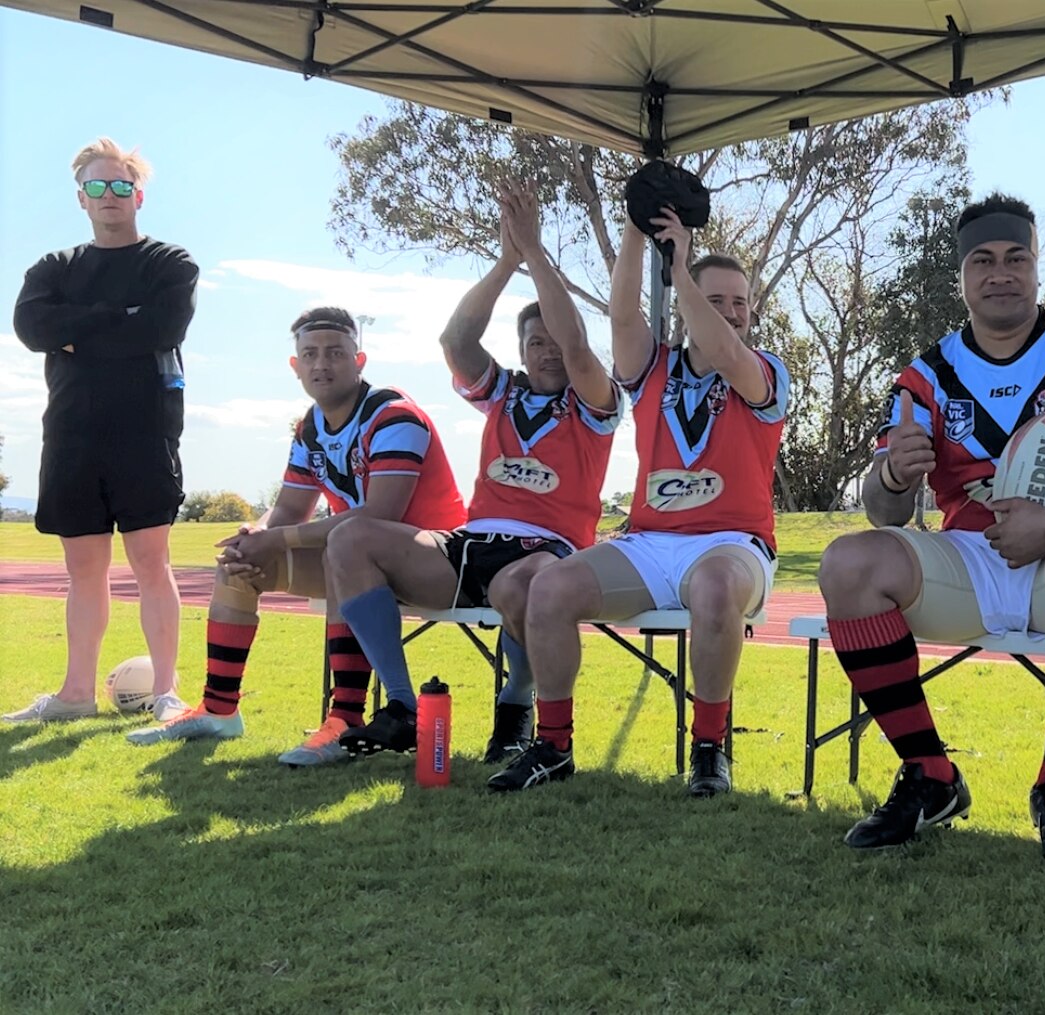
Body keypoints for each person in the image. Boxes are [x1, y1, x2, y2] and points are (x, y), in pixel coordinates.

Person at [813, 194, 1045, 869]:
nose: (1000, 273)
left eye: (1016, 258)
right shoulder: (925, 375)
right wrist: (891, 474)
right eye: (982, 260)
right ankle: (930, 775)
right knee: (847, 564)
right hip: (969, 558)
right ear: (962, 275)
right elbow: (883, 512)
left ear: (1037, 267)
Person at [487, 205, 789, 798]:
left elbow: (726, 352)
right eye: (717, 300)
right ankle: (553, 745)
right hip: (649, 543)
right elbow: (623, 314)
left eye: (740, 302)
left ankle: (710, 748)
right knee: (548, 589)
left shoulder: (764, 370)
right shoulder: (656, 370)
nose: (731, 312)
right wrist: (634, 224)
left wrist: (679, 269)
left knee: (715, 588)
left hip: (732, 545)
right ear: (688, 305)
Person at [327, 183, 623, 762]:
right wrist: (508, 262)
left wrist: (535, 252)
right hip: (470, 544)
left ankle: (516, 704)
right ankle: (402, 707)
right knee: (350, 538)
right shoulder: (504, 394)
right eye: (535, 343)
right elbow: (456, 340)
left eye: (555, 341)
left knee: (518, 585)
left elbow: (577, 348)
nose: (549, 351)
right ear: (522, 351)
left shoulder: (594, 404)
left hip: (546, 552)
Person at [124, 307, 466, 757]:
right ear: (295, 366)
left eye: (335, 353)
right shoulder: (310, 427)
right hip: (358, 559)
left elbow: (382, 512)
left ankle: (345, 720)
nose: (321, 364)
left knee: (345, 549)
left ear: (359, 360)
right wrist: (257, 533)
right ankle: (219, 710)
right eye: (310, 354)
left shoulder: (393, 416)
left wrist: (279, 538)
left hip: (436, 561)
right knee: (241, 566)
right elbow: (289, 508)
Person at [6, 138, 196, 724]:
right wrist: (120, 320)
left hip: (146, 434)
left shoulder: (169, 263)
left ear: (138, 195)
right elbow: (31, 327)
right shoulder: (54, 268)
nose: (109, 195)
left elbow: (162, 328)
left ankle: (166, 692)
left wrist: (76, 334)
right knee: (84, 571)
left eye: (120, 185)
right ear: (81, 198)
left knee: (151, 564)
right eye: (96, 186)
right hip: (71, 436)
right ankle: (75, 695)